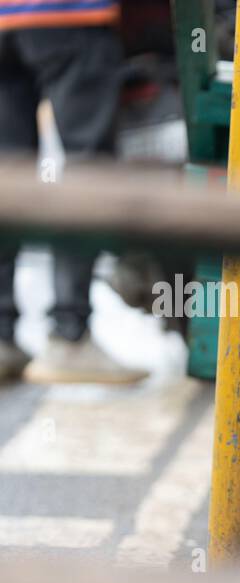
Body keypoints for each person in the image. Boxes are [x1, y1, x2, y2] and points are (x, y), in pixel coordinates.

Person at [0, 0, 146, 384]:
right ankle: (70, 334)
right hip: (69, 13)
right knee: (87, 170)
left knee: (7, 174)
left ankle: (1, 337)